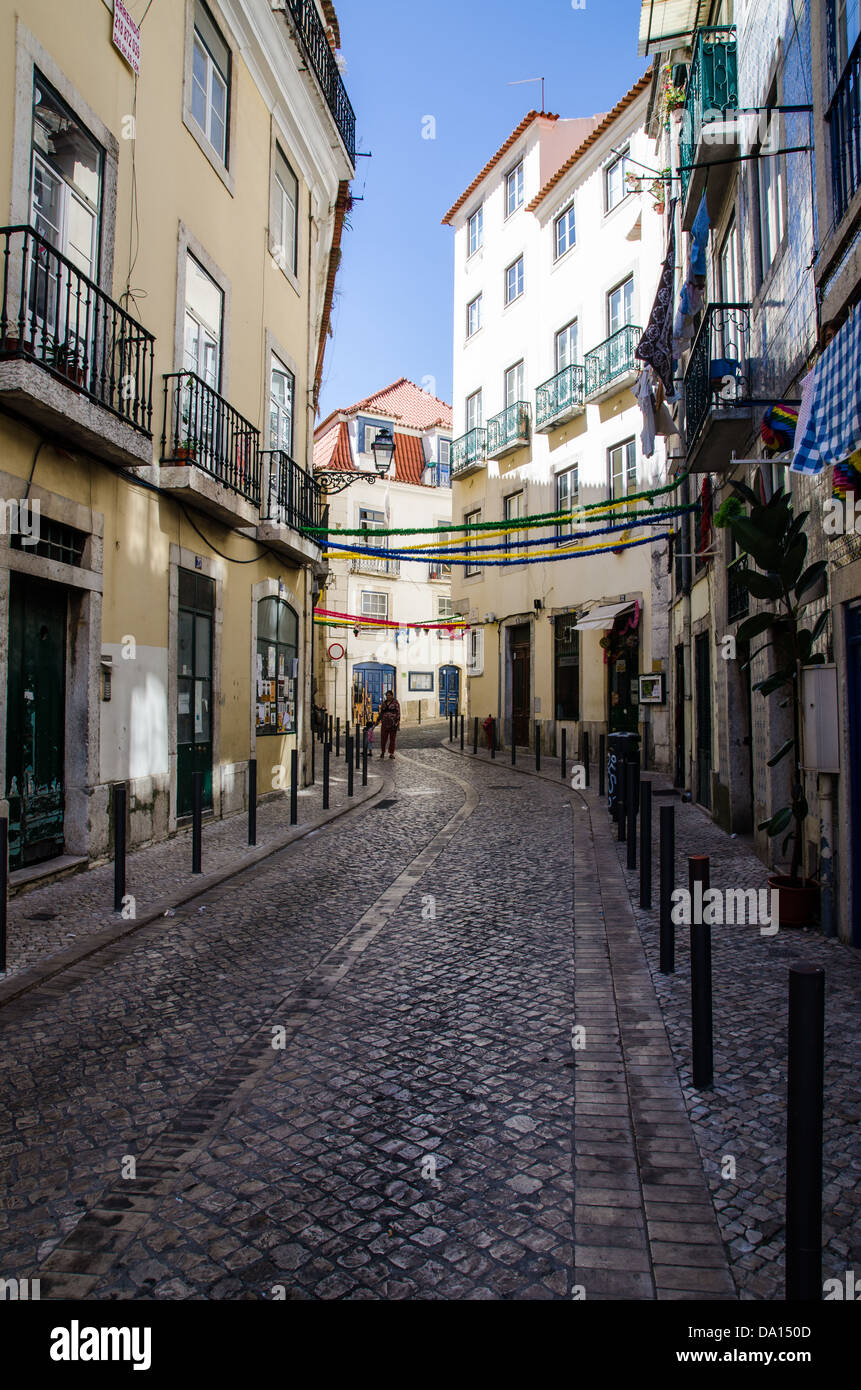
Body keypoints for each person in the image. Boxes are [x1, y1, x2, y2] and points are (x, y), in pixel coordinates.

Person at [376, 689, 401, 759]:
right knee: (383, 739)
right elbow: (381, 713)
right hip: (384, 724)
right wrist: (378, 720)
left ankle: (391, 753)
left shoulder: (396, 703)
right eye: (386, 695)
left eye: (389, 695)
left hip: (393, 724)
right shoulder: (384, 703)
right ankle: (383, 752)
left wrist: (397, 722)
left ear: (392, 696)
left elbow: (398, 713)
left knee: (392, 739)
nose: (388, 697)